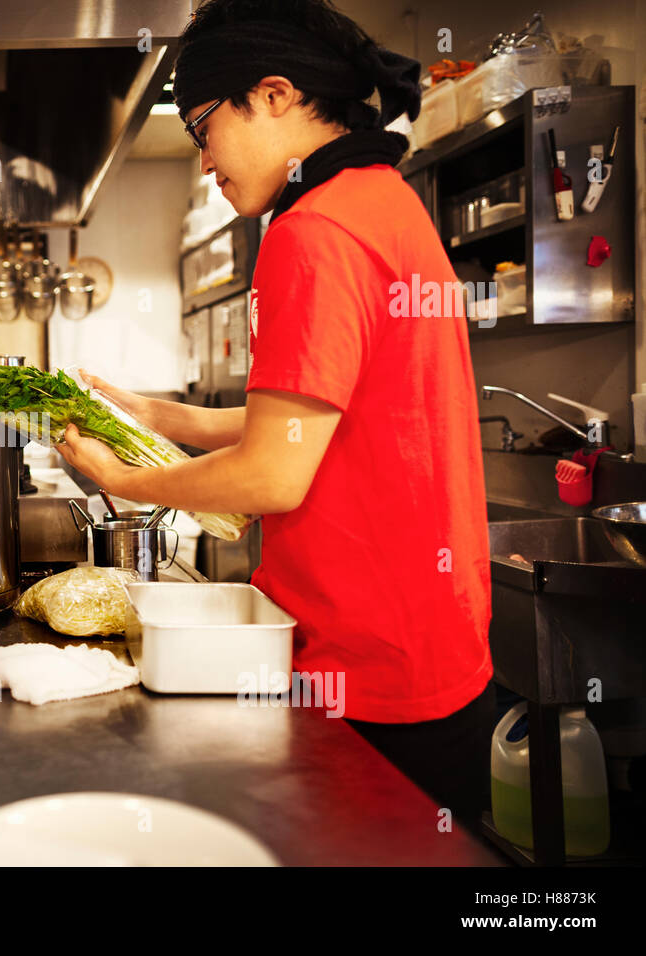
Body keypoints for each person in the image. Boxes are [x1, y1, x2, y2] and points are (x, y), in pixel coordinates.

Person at [56, 0, 495, 831]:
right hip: (429, 652)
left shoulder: (312, 232)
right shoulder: (380, 203)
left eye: (202, 127)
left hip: (367, 667)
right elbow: (318, 429)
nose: (205, 160)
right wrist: (157, 414)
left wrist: (122, 475)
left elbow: (271, 474)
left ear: (274, 95)